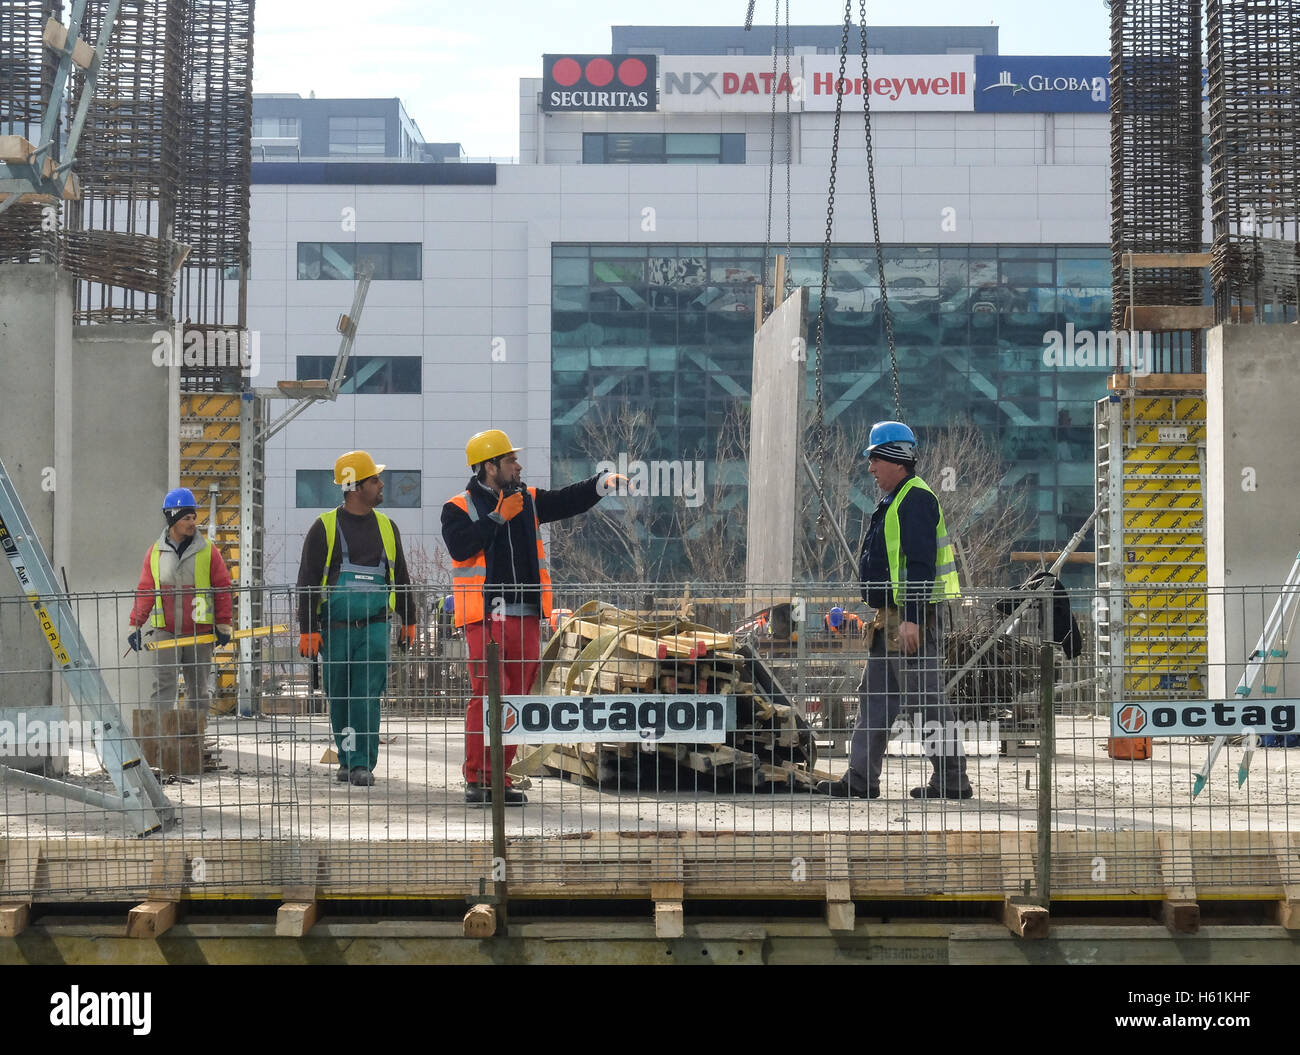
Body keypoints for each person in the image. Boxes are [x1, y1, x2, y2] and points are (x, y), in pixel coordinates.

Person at [441, 429, 620, 806]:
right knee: (488, 695)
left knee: (518, 699)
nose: (518, 465)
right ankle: (478, 779)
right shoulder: (458, 507)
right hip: (485, 618)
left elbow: (566, 500)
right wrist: (495, 518)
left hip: (524, 616)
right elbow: (460, 547)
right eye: (510, 460)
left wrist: (601, 484)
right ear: (490, 467)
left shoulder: (529, 500)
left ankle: (499, 777)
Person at [816, 421, 972, 800]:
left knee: (926, 703)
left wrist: (913, 619)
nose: (870, 468)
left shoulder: (915, 499)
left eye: (874, 459)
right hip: (890, 619)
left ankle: (952, 779)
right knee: (875, 699)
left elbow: (921, 565)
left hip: (909, 620)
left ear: (896, 459)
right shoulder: (895, 499)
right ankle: (859, 779)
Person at [296, 451, 417, 787]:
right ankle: (347, 758)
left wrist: (410, 618)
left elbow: (401, 577)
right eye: (375, 480)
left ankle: (363, 762)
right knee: (340, 698)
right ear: (356, 487)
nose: (381, 485)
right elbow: (306, 581)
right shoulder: (324, 528)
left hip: (375, 627)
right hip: (335, 631)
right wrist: (307, 629)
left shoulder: (387, 528)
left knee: (366, 696)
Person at [126, 487, 233, 713]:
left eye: (194, 517)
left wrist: (223, 624)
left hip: (199, 632)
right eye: (187, 518)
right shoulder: (155, 553)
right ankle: (160, 741)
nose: (193, 522)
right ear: (173, 518)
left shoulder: (208, 551)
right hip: (166, 632)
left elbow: (223, 588)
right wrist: (135, 624)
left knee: (198, 690)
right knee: (163, 687)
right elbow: (146, 590)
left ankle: (195, 739)